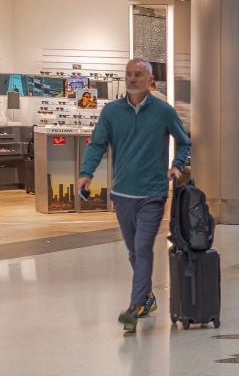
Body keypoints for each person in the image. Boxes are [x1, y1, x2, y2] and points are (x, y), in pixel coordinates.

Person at [80, 58, 191, 333]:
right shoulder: (112, 112)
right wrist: (86, 173)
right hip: (122, 194)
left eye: (138, 75)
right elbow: (97, 144)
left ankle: (134, 308)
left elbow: (184, 141)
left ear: (149, 80)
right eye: (128, 74)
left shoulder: (163, 112)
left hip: (152, 193)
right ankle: (148, 297)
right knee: (133, 251)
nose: (132, 79)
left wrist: (177, 165)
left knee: (143, 248)